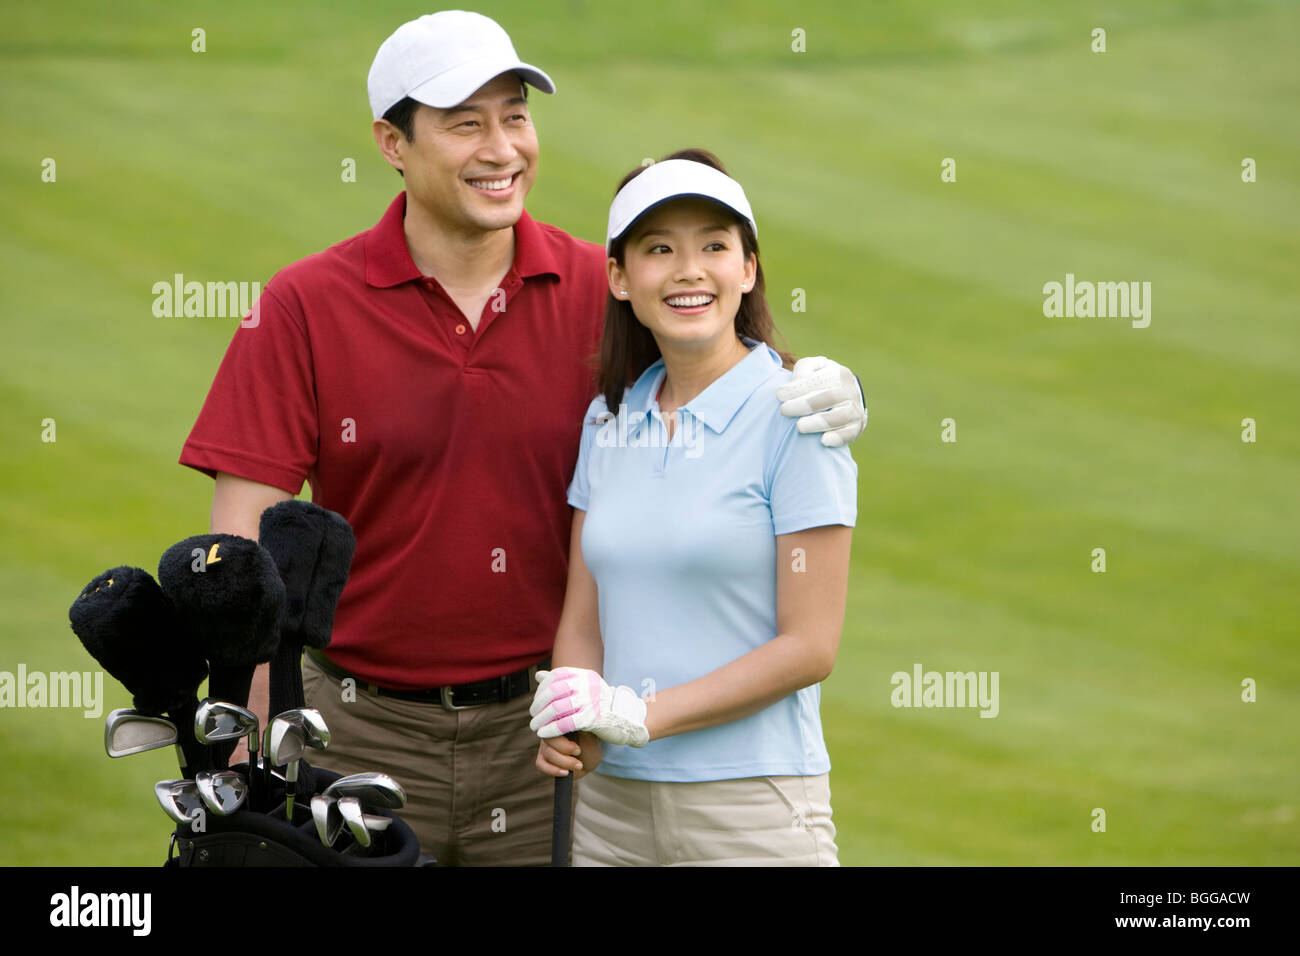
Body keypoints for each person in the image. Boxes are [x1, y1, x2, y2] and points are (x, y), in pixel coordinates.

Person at [178, 12, 867, 866]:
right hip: (360, 735)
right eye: (465, 123)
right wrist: (244, 738)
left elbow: (725, 358)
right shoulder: (305, 305)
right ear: (391, 142)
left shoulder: (603, 289)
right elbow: (240, 553)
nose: (502, 148)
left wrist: (833, 385)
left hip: (553, 740)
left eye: (515, 115)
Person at [530, 149, 855, 866]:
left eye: (714, 245)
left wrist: (640, 716)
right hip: (611, 808)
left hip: (754, 809)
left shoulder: (801, 418)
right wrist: (576, 714)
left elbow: (811, 647)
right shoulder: (608, 421)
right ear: (619, 278)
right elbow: (583, 620)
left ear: (748, 269)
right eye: (658, 250)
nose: (688, 270)